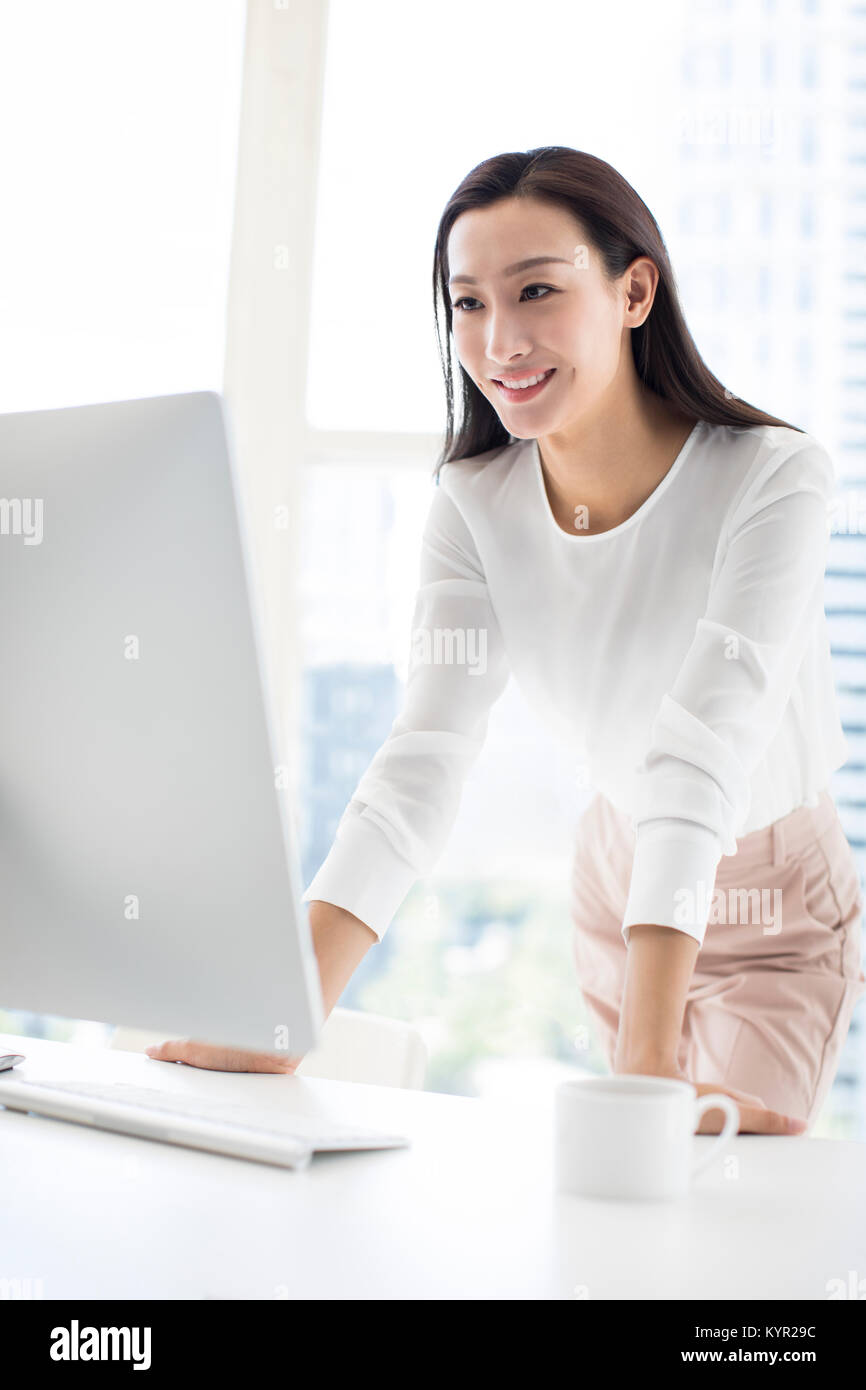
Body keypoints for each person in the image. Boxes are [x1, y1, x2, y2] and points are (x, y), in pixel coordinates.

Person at [147, 147, 865, 1135]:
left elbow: (702, 748)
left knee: (715, 1190)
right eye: (468, 303)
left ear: (633, 290)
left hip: (768, 895)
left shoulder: (770, 476)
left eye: (535, 291)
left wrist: (646, 1067)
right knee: (627, 1229)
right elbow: (421, 763)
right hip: (618, 870)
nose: (499, 341)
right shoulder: (473, 503)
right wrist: (290, 1011)